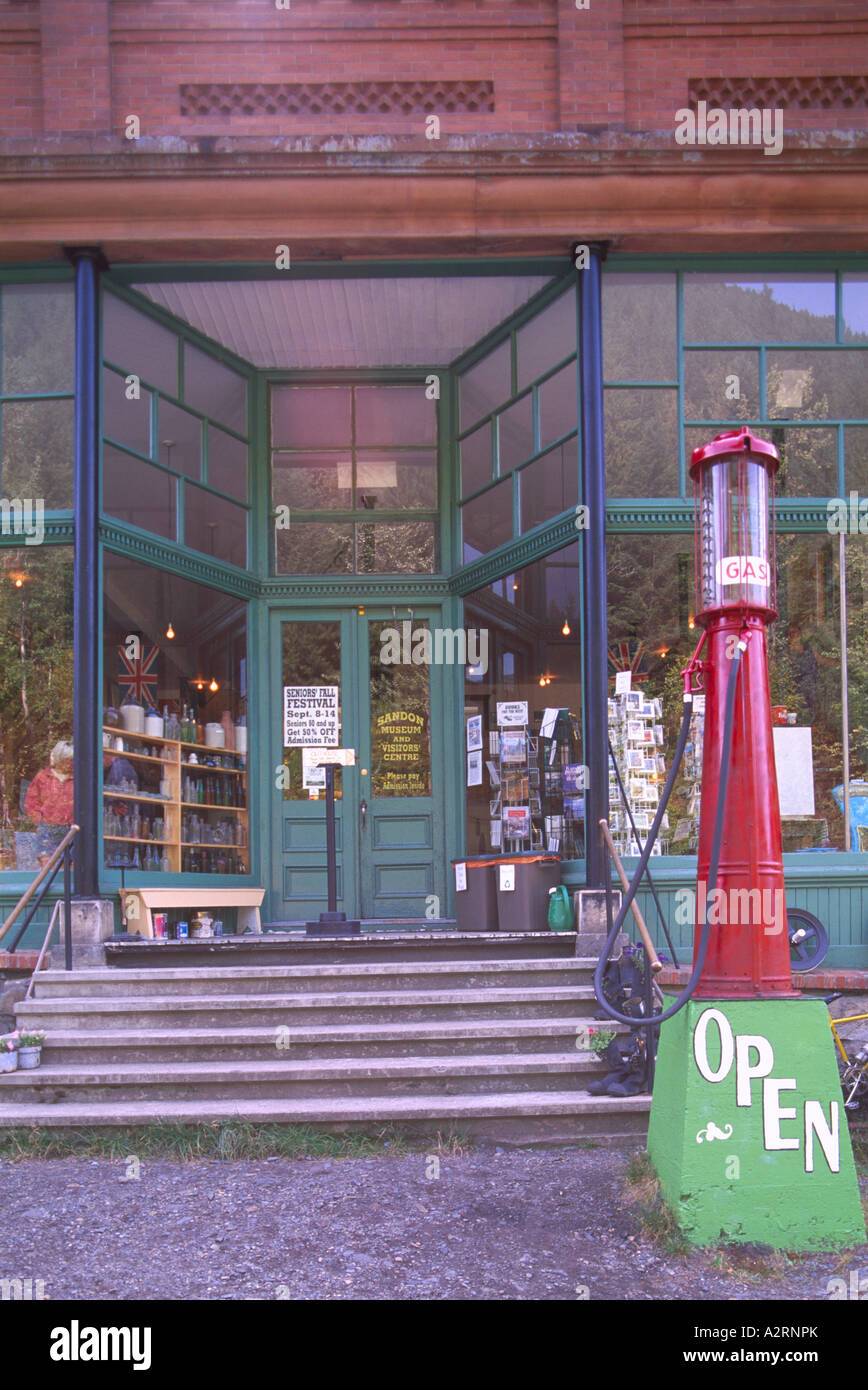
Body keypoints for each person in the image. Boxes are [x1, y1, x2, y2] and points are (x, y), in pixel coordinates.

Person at [24, 741, 74, 827]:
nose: (70, 764)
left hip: (70, 829)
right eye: (67, 760)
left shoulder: (76, 779)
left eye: (72, 760)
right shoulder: (43, 776)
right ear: (59, 758)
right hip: (46, 828)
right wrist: (40, 822)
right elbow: (31, 803)